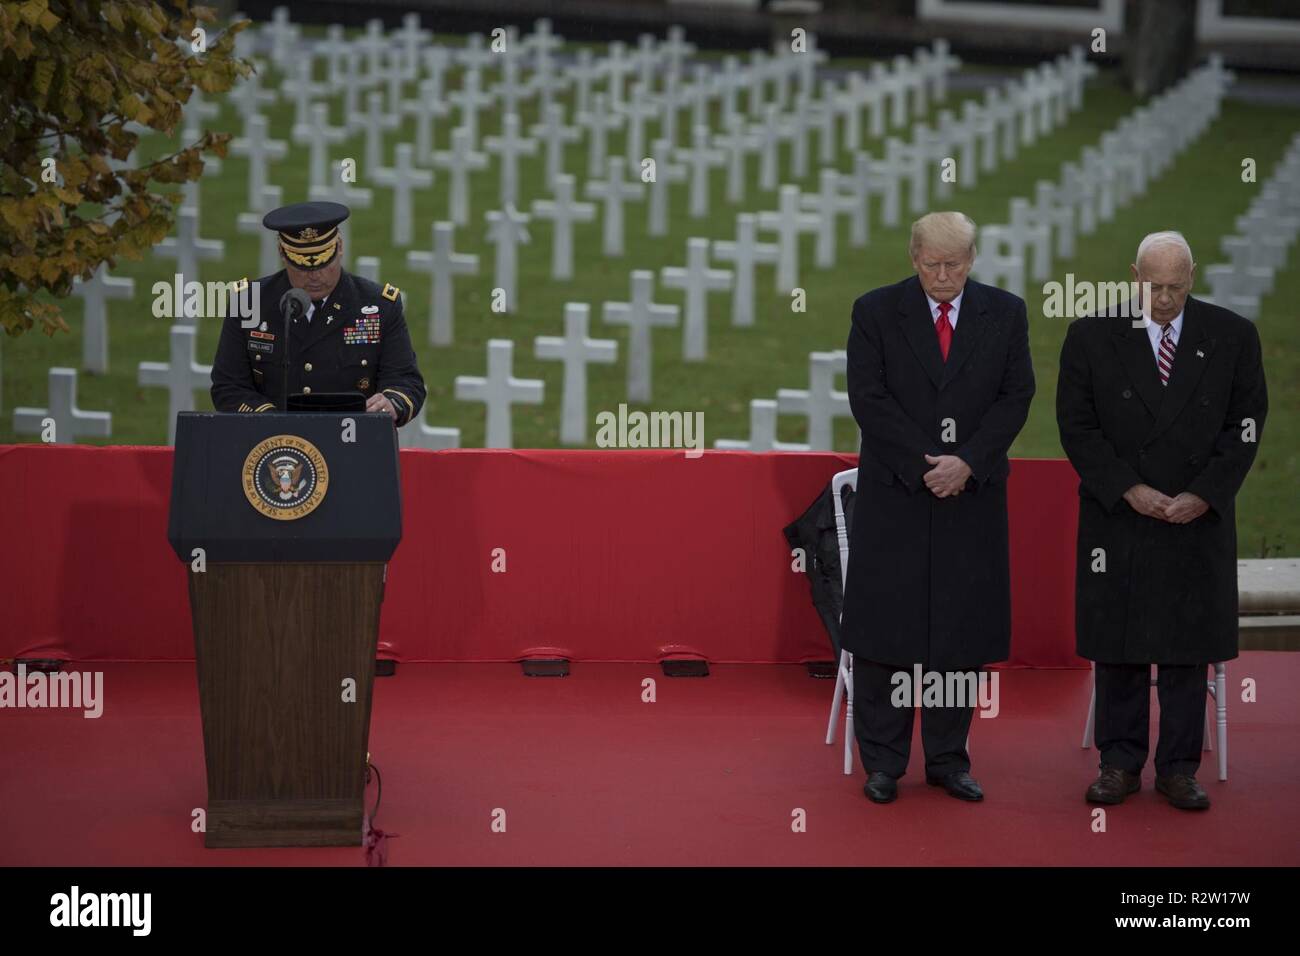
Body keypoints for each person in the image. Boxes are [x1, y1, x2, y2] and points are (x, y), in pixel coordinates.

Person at [1056, 231, 1267, 811]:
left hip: (1195, 518)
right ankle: (1119, 763)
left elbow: (1245, 425)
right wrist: (1129, 487)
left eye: (1176, 286)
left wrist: (1205, 492)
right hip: (1118, 517)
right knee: (1119, 643)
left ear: (1192, 276)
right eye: (1153, 286)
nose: (1165, 298)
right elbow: (1077, 427)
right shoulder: (1091, 336)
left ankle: (1179, 768)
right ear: (1133, 274)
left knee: (1185, 642)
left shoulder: (1232, 336)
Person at [841, 211, 1035, 804]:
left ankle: (949, 760)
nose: (944, 275)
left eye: (955, 264)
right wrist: (926, 465)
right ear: (913, 257)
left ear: (973, 258)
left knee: (959, 631)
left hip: (970, 496)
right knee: (886, 631)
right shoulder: (875, 312)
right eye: (932, 264)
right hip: (897, 494)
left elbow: (1015, 394)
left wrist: (968, 462)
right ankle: (883, 762)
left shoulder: (1005, 313)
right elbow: (867, 398)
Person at [210, 200, 426, 424]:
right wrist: (270, 420)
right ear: (282, 254)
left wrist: (392, 402)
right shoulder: (250, 302)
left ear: (340, 247)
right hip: (274, 443)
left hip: (353, 442)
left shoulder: (378, 306)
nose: (314, 276)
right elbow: (228, 386)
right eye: (302, 266)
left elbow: (406, 382)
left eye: (324, 263)